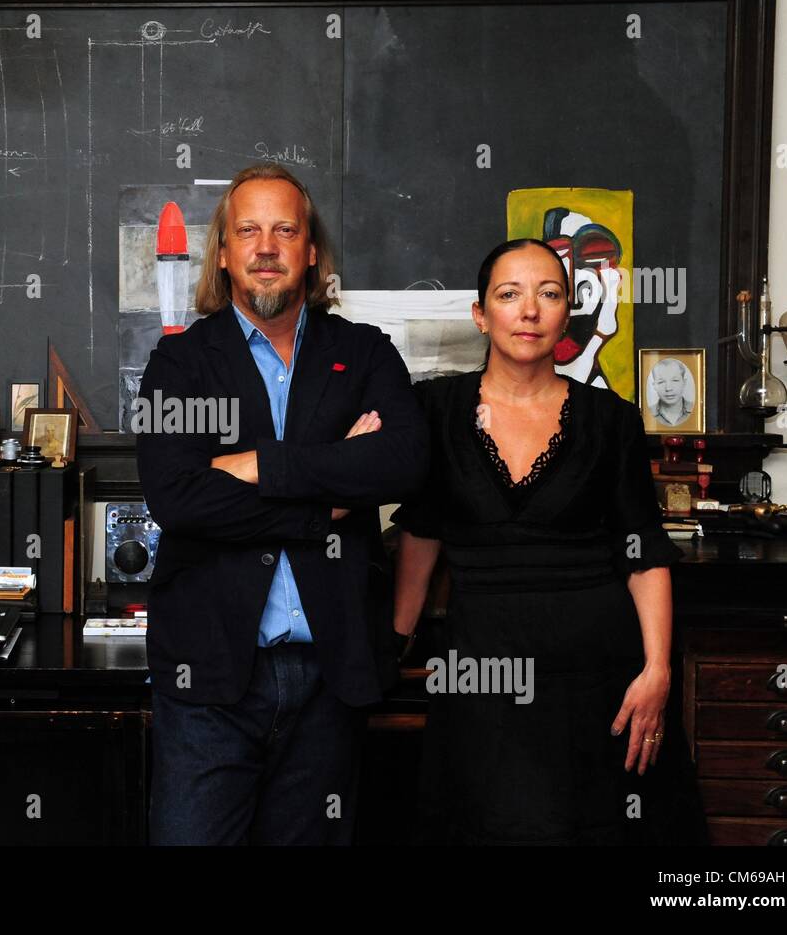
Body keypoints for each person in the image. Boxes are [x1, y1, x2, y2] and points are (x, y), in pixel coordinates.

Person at [136, 164, 428, 845]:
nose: (267, 246)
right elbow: (176, 496)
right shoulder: (181, 364)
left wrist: (261, 464)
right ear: (224, 253)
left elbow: (404, 460)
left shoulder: (361, 352)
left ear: (311, 250)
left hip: (331, 679)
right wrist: (324, 499)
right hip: (208, 681)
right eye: (249, 230)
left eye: (285, 230)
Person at [392, 237, 703, 845]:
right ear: (481, 315)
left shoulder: (611, 419)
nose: (529, 310)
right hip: (482, 673)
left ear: (566, 314)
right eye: (509, 295)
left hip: (596, 681)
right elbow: (421, 534)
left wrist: (658, 670)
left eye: (549, 294)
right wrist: (393, 643)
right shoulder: (432, 409)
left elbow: (642, 551)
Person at [650, 357, 694, 427]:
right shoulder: (647, 413)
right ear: (654, 385)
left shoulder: (695, 410)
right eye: (661, 382)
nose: (668, 388)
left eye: (675, 380)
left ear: (684, 383)